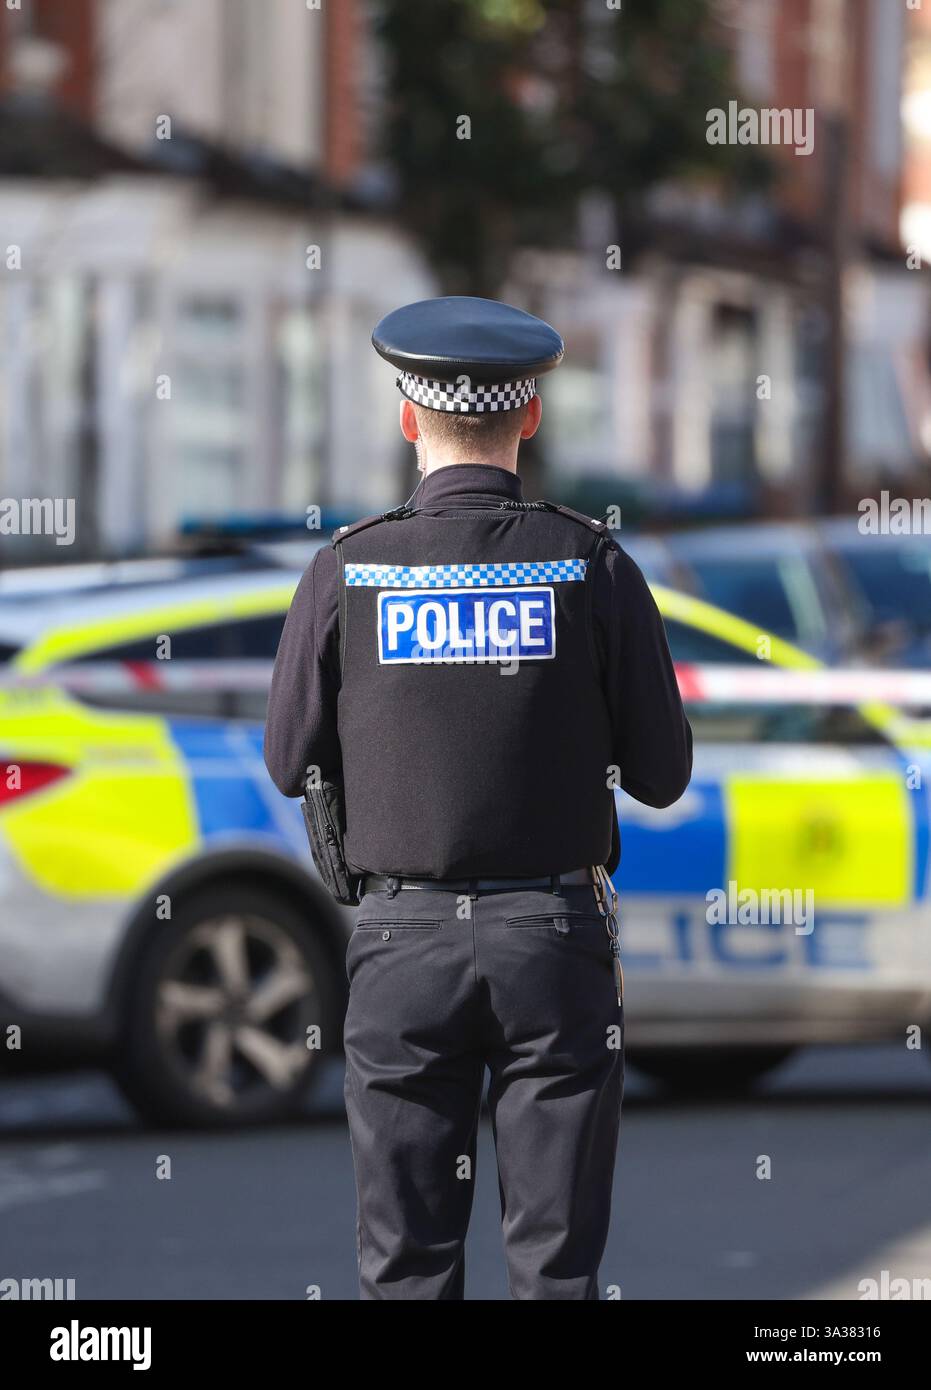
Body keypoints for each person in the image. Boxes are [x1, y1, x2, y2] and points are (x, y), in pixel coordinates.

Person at [264, 295, 692, 1300]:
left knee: (407, 1265)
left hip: (401, 946)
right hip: (551, 939)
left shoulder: (347, 570)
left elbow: (288, 759)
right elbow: (663, 774)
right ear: (530, 416)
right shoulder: (589, 564)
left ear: (407, 419)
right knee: (554, 1267)